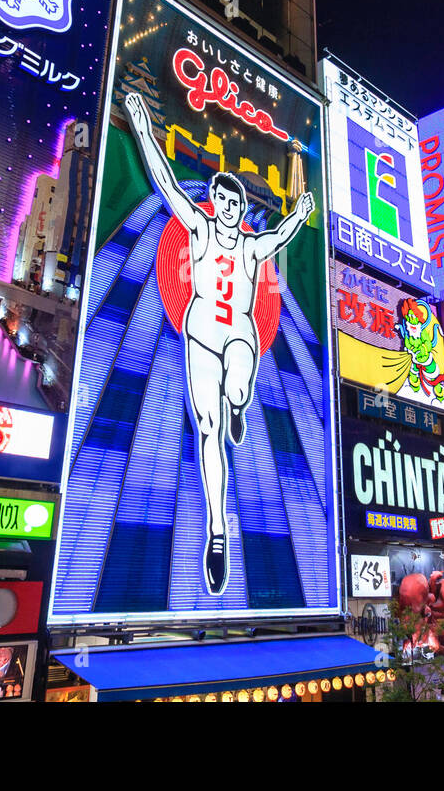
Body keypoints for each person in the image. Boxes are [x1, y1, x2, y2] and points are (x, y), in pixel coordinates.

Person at [123, 91, 315, 595]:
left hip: (239, 335)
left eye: (236, 203)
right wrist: (143, 129)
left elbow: (280, 237)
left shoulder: (251, 246)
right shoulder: (200, 230)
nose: (228, 209)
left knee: (238, 375)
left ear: (242, 208)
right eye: (223, 201)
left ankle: (239, 401)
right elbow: (166, 184)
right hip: (200, 334)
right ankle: (216, 530)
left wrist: (300, 213)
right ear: (217, 202)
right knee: (209, 433)